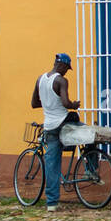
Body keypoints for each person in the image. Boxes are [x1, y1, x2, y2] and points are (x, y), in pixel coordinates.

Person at [31, 53, 81, 211]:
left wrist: (48, 104)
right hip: (63, 122)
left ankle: (52, 203)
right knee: (91, 134)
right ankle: (90, 169)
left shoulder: (40, 79)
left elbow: (34, 103)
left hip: (50, 126)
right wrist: (74, 104)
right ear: (63, 65)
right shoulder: (61, 80)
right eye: (67, 68)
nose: (67, 71)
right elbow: (66, 103)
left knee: (52, 163)